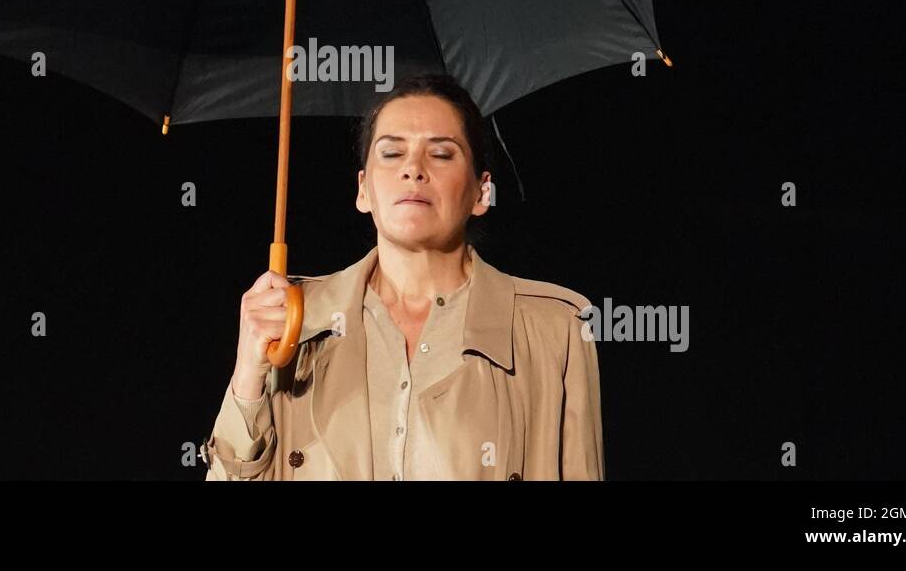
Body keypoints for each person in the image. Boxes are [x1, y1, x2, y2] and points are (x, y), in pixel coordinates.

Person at [200, 72, 604, 480]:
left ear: (482, 192)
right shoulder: (294, 322)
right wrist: (247, 374)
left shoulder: (553, 328)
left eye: (442, 154)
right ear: (363, 190)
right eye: (392, 154)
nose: (413, 169)